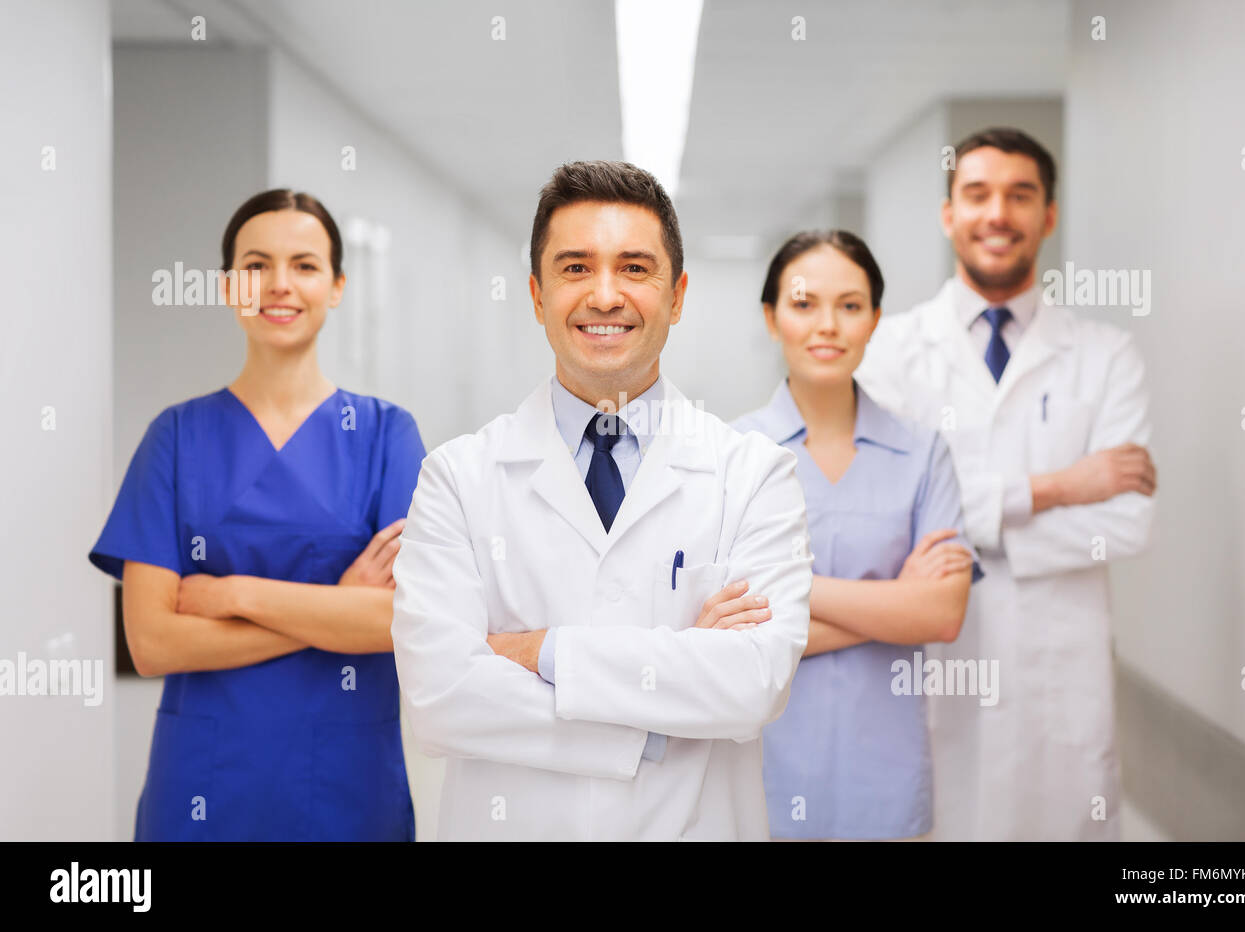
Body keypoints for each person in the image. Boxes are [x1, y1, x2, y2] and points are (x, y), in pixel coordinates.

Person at [390, 160, 813, 841]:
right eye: (576, 268)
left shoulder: (754, 474)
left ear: (677, 296)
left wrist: (540, 651)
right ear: (536, 294)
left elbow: (754, 684)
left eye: (635, 268)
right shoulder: (458, 478)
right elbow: (440, 699)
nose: (606, 295)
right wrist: (658, 703)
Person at [89, 189, 425, 841]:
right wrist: (334, 608)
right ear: (228, 287)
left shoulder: (386, 435)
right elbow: (152, 643)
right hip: (206, 783)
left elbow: (396, 620)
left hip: (345, 779)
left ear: (337, 287)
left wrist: (234, 594)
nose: (279, 285)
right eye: (256, 265)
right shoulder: (177, 437)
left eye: (303, 264)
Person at [857, 127, 1157, 841]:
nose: (999, 213)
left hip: (1060, 670)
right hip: (934, 663)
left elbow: (1128, 524)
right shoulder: (891, 350)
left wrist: (966, 532)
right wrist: (1057, 486)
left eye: (1020, 195)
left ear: (1048, 216)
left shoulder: (1105, 355)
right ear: (948, 213)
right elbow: (886, 515)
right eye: (978, 194)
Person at [731, 230, 981, 841]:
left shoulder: (923, 454)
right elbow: (729, 636)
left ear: (874, 320)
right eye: (803, 303)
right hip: (762, 771)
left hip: (885, 774)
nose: (828, 325)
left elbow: (943, 616)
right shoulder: (732, 455)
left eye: (850, 305)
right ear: (772, 318)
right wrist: (897, 601)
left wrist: (788, 594)